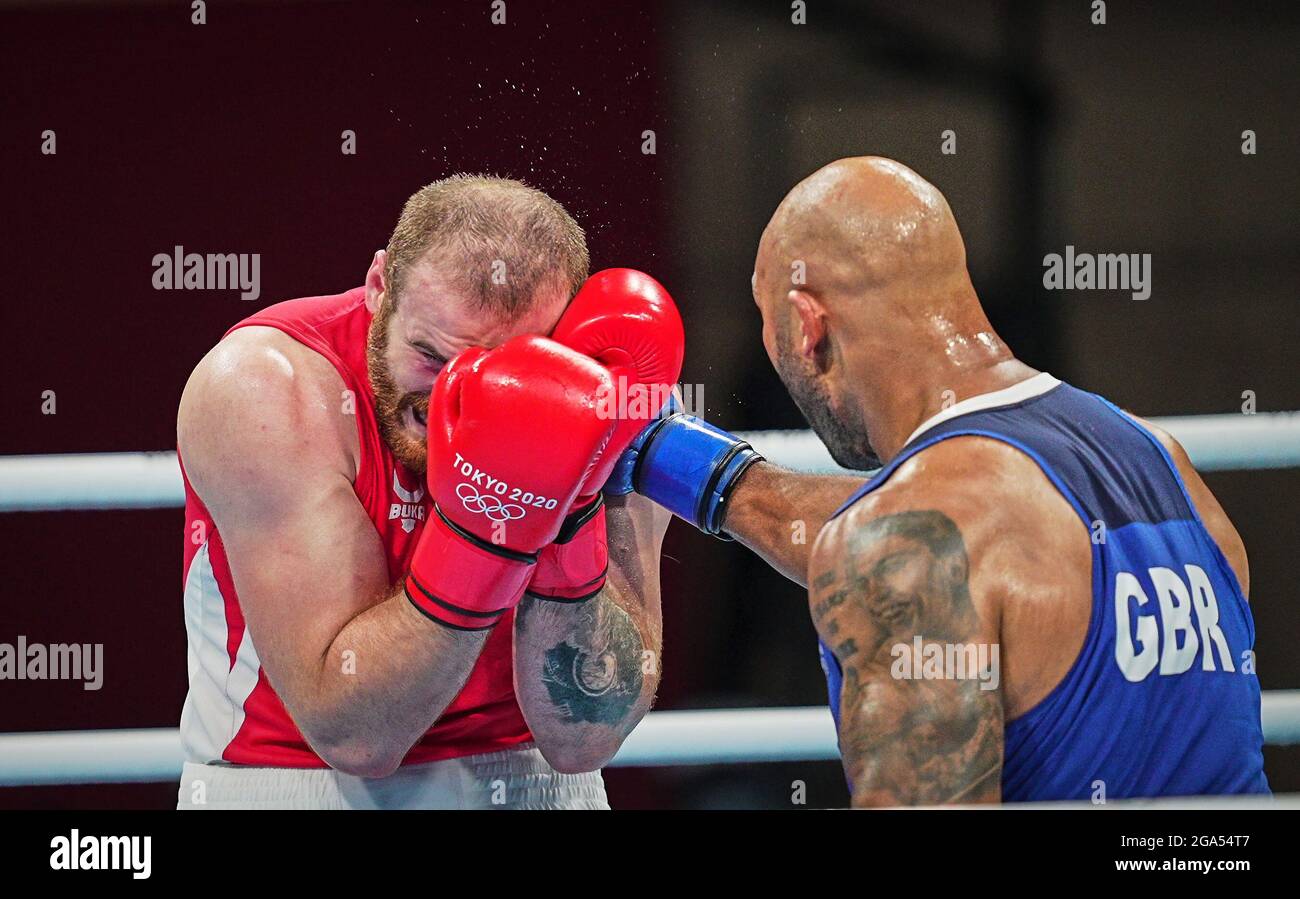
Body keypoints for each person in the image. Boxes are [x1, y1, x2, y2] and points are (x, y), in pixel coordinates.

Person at [610, 156, 1268, 806]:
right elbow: (958, 541)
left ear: (808, 326)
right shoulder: (1160, 460)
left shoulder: (906, 545)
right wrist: (683, 460)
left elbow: (911, 550)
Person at [175, 174, 682, 809]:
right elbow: (357, 737)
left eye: (497, 371)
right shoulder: (266, 387)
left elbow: (587, 737)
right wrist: (491, 527)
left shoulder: (615, 394)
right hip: (299, 785)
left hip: (540, 786)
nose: (450, 399)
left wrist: (570, 508)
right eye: (430, 356)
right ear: (379, 286)